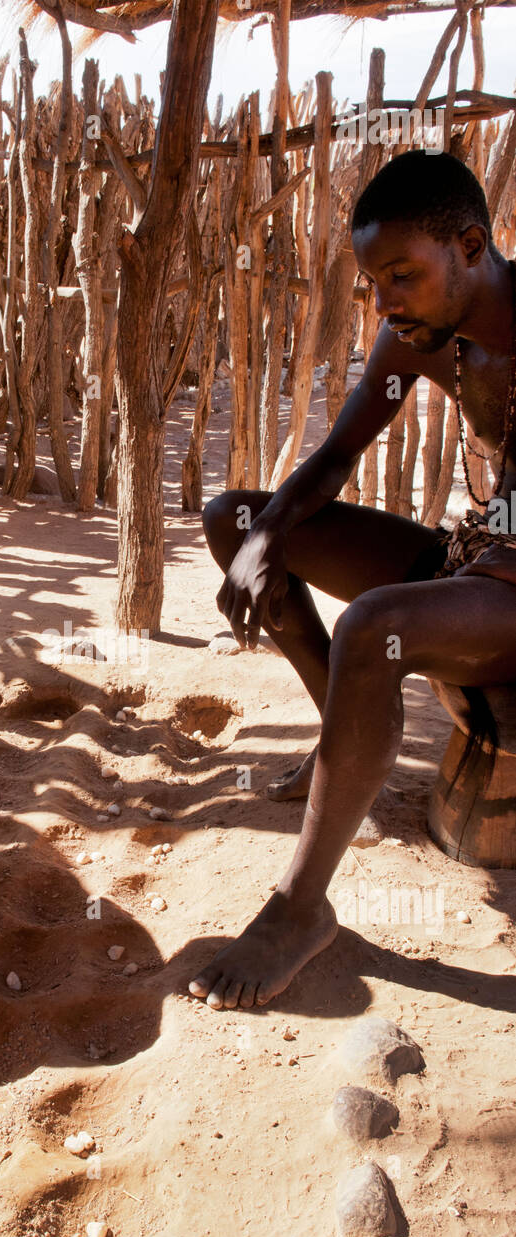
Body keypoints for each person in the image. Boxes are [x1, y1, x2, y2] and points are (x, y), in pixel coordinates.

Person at [190, 150, 516, 1010]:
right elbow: (335, 455)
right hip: (480, 564)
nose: (384, 304)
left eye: (401, 277)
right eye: (373, 282)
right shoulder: (420, 335)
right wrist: (264, 534)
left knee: (376, 625)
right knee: (234, 518)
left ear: (471, 248)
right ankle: (341, 740)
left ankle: (300, 908)